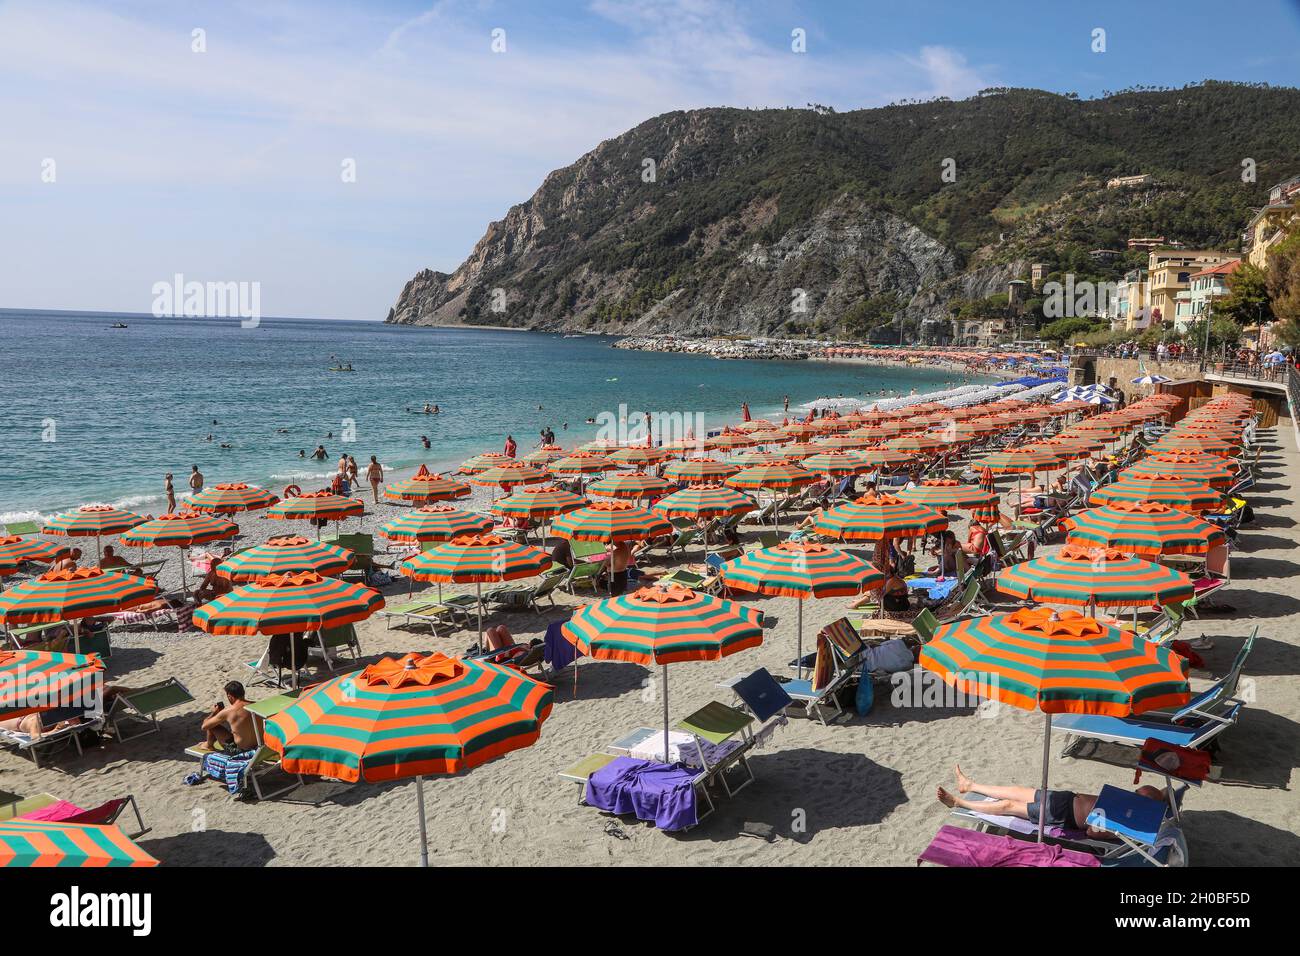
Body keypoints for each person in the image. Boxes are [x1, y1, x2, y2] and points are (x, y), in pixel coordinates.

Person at [935, 764, 1167, 838]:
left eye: (1139, 795)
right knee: (1016, 790)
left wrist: (1100, 821)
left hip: (1063, 815)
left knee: (1008, 806)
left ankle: (959, 802)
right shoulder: (1127, 805)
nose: (1134, 794)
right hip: (1065, 798)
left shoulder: (1124, 825)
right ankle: (970, 785)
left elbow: (1092, 833)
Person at [200, 681, 257, 751]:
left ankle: (208, 745)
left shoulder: (229, 711)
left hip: (241, 751)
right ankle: (207, 744)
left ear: (230, 696)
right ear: (243, 692)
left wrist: (214, 713)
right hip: (258, 746)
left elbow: (204, 726)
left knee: (212, 725)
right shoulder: (256, 705)